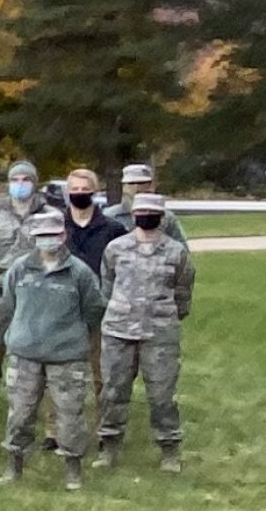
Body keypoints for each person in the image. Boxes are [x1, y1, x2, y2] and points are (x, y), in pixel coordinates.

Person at [0, 211, 106, 490]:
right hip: (24, 354)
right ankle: (13, 466)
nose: (48, 241)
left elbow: (94, 308)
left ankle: (73, 469)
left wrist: (70, 334)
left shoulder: (79, 272)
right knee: (19, 413)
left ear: (64, 235)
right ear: (34, 238)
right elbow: (8, 304)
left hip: (67, 357)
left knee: (70, 414)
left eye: (53, 235)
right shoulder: (20, 268)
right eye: (42, 236)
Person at [97, 193, 193, 474]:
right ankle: (109, 446)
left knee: (162, 395)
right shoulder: (116, 248)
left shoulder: (176, 252)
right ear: (134, 214)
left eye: (152, 212)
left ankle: (170, 450)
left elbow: (183, 293)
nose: (146, 216)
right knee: (113, 391)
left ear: (161, 217)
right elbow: (107, 286)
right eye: (141, 211)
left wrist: (165, 317)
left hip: (160, 334)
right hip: (118, 331)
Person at [0, 160, 48, 415]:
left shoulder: (48, 215)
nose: (20, 185)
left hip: (35, 292)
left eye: (26, 180)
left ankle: (30, 401)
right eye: (15, 180)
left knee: (33, 348)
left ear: (35, 183)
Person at [62, 169, 127, 275]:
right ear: (67, 191)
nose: (80, 192)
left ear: (95, 191)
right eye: (75, 189)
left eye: (85, 189)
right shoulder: (58, 228)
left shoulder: (114, 229)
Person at [103, 164, 186, 242]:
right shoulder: (109, 216)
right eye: (131, 183)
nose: (136, 187)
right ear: (123, 187)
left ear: (151, 186)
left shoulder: (166, 217)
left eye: (142, 183)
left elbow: (181, 249)